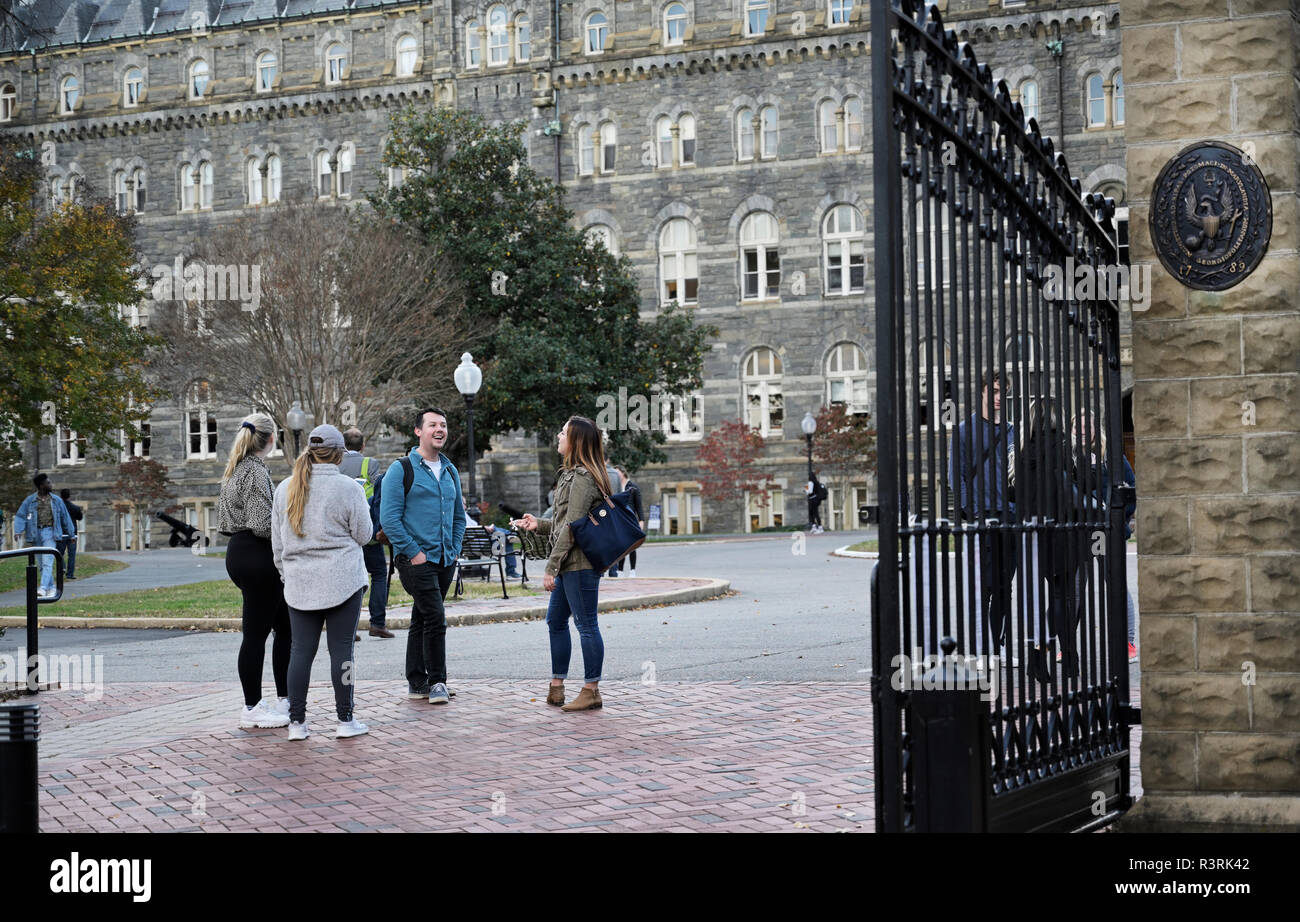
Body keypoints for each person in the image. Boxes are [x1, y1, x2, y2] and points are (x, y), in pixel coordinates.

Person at [271, 424, 374, 740]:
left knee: (300, 652)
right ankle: (345, 720)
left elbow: (278, 545)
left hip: (300, 582)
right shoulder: (349, 488)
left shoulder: (284, 488)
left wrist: (287, 573)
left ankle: (297, 723)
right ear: (340, 454)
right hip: (342, 579)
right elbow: (364, 534)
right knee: (342, 652)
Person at [512, 415, 610, 712]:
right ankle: (557, 685)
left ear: (576, 440)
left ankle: (591, 689)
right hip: (570, 563)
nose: (558, 435)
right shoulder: (571, 474)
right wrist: (537, 525)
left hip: (578, 565)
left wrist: (551, 568)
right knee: (556, 621)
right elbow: (560, 522)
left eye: (563, 432)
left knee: (587, 625)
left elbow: (572, 527)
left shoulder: (582, 478)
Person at [380, 408, 465, 705]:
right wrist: (414, 552)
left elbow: (459, 516)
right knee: (435, 618)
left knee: (422, 618)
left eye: (443, 424)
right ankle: (438, 681)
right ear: (418, 431)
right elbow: (389, 519)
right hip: (415, 560)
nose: (439, 429)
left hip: (445, 559)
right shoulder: (401, 469)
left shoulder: (451, 469)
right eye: (432, 425)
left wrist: (453, 549)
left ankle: (417, 682)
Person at [217, 413, 291, 730]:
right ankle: (253, 706)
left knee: (284, 626)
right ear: (271, 440)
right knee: (257, 635)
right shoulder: (256, 472)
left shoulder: (234, 468)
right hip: (258, 556)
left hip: (239, 551)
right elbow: (263, 524)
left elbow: (223, 522)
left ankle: (285, 699)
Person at [947, 371, 1016, 658]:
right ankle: (981, 645)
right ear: (984, 392)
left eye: (1004, 393)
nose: (1000, 398)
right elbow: (956, 475)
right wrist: (971, 511)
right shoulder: (965, 430)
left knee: (1004, 586)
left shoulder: (1014, 430)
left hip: (1010, 516)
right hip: (981, 516)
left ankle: (997, 645)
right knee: (983, 586)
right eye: (996, 391)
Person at [1013, 400, 1078, 683]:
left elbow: (1016, 493)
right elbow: (1071, 489)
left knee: (1034, 601)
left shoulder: (1023, 453)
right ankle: (1071, 657)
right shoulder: (1064, 448)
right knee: (1063, 596)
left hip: (1030, 531)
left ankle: (1036, 659)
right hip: (1060, 530)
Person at [1071, 410, 1139, 662]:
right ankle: (1067, 646)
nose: (1082, 430)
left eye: (1086, 425)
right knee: (1075, 588)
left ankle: (1128, 643)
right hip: (1079, 531)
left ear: (1094, 427)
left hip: (1107, 530)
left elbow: (1129, 489)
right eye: (1077, 425)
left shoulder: (1111, 456)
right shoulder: (1069, 457)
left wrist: (1119, 517)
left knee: (1117, 586)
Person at [339, 427, 394, 639]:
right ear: (363, 446)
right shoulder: (370, 464)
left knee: (348, 579)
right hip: (369, 532)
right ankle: (377, 623)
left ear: (343, 446)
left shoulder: (335, 465)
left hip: (344, 534)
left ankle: (347, 627)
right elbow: (380, 494)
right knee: (379, 574)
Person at [13, 473, 75, 599]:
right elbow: (20, 515)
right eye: (48, 483)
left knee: (48, 561)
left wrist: (71, 534)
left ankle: (42, 588)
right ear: (41, 485)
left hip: (50, 533)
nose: (51, 485)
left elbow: (65, 517)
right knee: (41, 564)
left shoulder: (56, 500)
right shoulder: (30, 500)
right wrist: (18, 530)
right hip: (35, 533)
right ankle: (51, 588)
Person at [614, 466, 643, 577]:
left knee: (632, 545)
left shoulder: (633, 487)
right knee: (622, 545)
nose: (616, 475)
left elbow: (639, 506)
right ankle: (620, 570)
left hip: (631, 519)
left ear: (623, 473)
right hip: (620, 519)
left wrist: (641, 521)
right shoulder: (616, 487)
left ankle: (632, 570)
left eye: (618, 473)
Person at [57, 489, 83, 579]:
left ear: (61, 496)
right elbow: (80, 518)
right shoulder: (75, 508)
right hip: (73, 535)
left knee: (59, 554)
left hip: (61, 534)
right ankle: (70, 574)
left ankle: (62, 568)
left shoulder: (58, 508)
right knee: (72, 555)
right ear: (69, 496)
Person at [604, 463, 624, 577]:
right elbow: (619, 495)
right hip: (612, 513)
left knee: (600, 543)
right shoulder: (615, 474)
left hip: (599, 513)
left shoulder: (595, 471)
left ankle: (601, 570)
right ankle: (613, 571)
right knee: (613, 543)